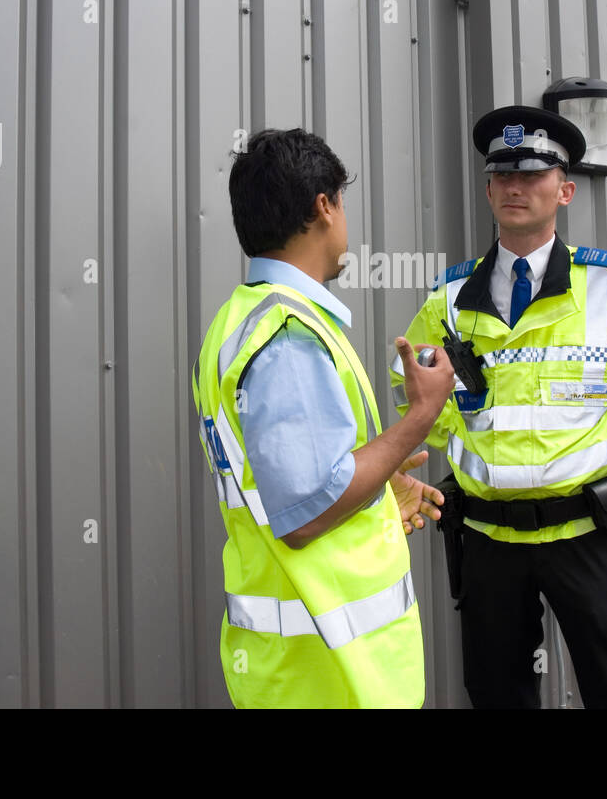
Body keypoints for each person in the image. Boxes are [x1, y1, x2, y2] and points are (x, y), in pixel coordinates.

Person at [390, 104, 607, 708]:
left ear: (565, 189)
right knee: (498, 694)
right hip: (488, 540)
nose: (514, 187)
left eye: (533, 173)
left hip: (583, 535)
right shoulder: (448, 299)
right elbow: (412, 389)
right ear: (488, 187)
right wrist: (448, 437)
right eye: (502, 175)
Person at [191, 127, 456, 708]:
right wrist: (420, 417)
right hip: (332, 677)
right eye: (343, 202)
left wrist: (378, 487)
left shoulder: (242, 321)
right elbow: (306, 510)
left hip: (303, 668)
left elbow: (290, 482)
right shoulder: (287, 336)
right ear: (324, 206)